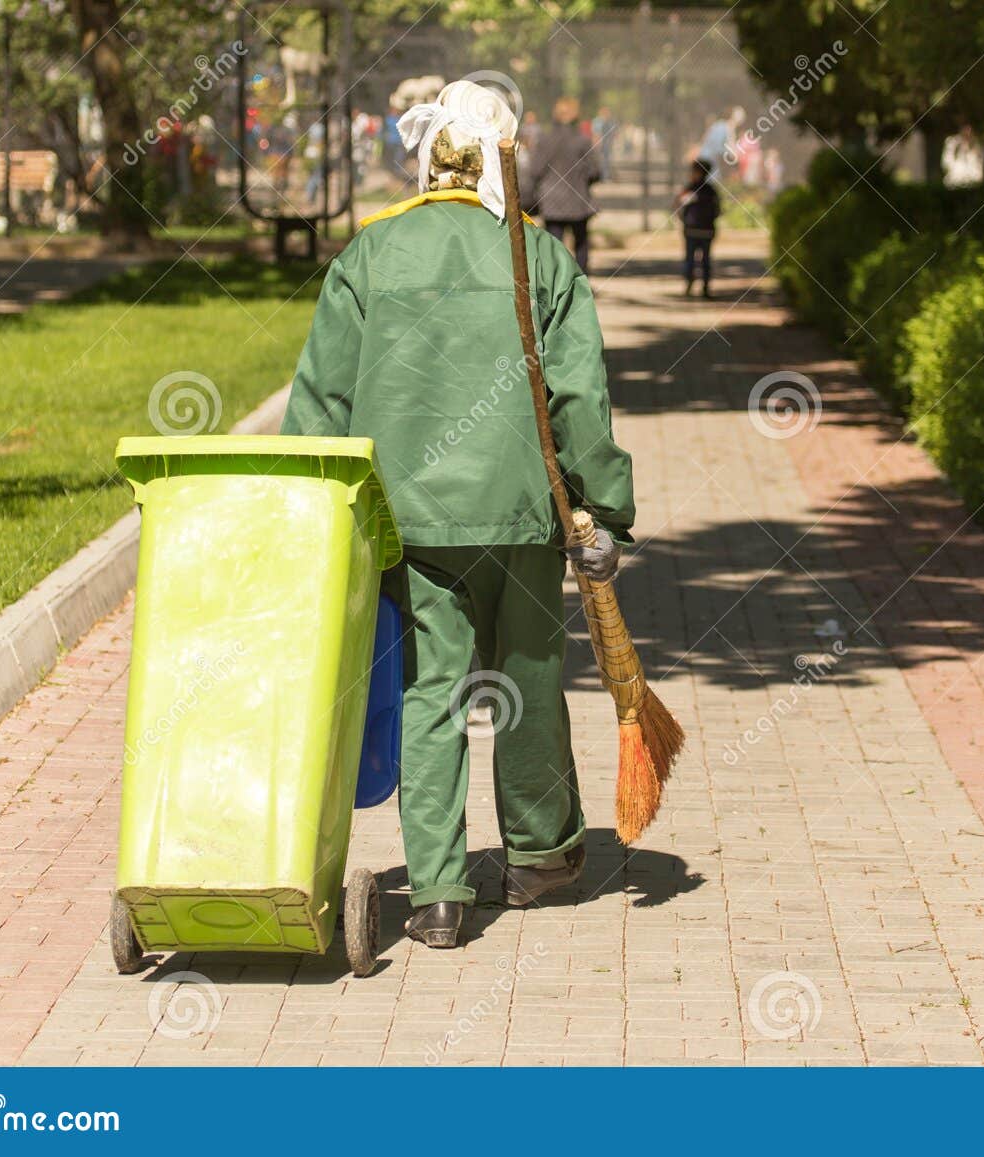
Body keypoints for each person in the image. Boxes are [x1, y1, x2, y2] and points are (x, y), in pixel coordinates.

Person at [281, 80, 635, 950]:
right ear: (499, 158)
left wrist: (305, 509)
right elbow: (579, 400)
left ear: (428, 156)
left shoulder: (369, 256)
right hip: (523, 516)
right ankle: (540, 857)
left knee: (428, 692)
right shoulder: (540, 258)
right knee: (526, 683)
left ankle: (437, 894)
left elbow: (321, 398)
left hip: (411, 521)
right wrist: (606, 510)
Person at [526, 96, 602, 273]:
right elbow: (595, 172)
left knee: (552, 248)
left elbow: (535, 171)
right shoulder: (582, 140)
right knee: (581, 245)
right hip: (578, 201)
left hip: (552, 202)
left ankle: (554, 288)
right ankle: (581, 283)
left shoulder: (544, 139)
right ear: (576, 115)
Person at [675, 158, 721, 298]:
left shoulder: (689, 189)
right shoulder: (711, 191)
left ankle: (692, 286)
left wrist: (684, 220)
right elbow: (718, 211)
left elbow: (678, 206)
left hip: (693, 230)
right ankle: (703, 288)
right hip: (705, 231)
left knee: (691, 260)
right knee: (704, 261)